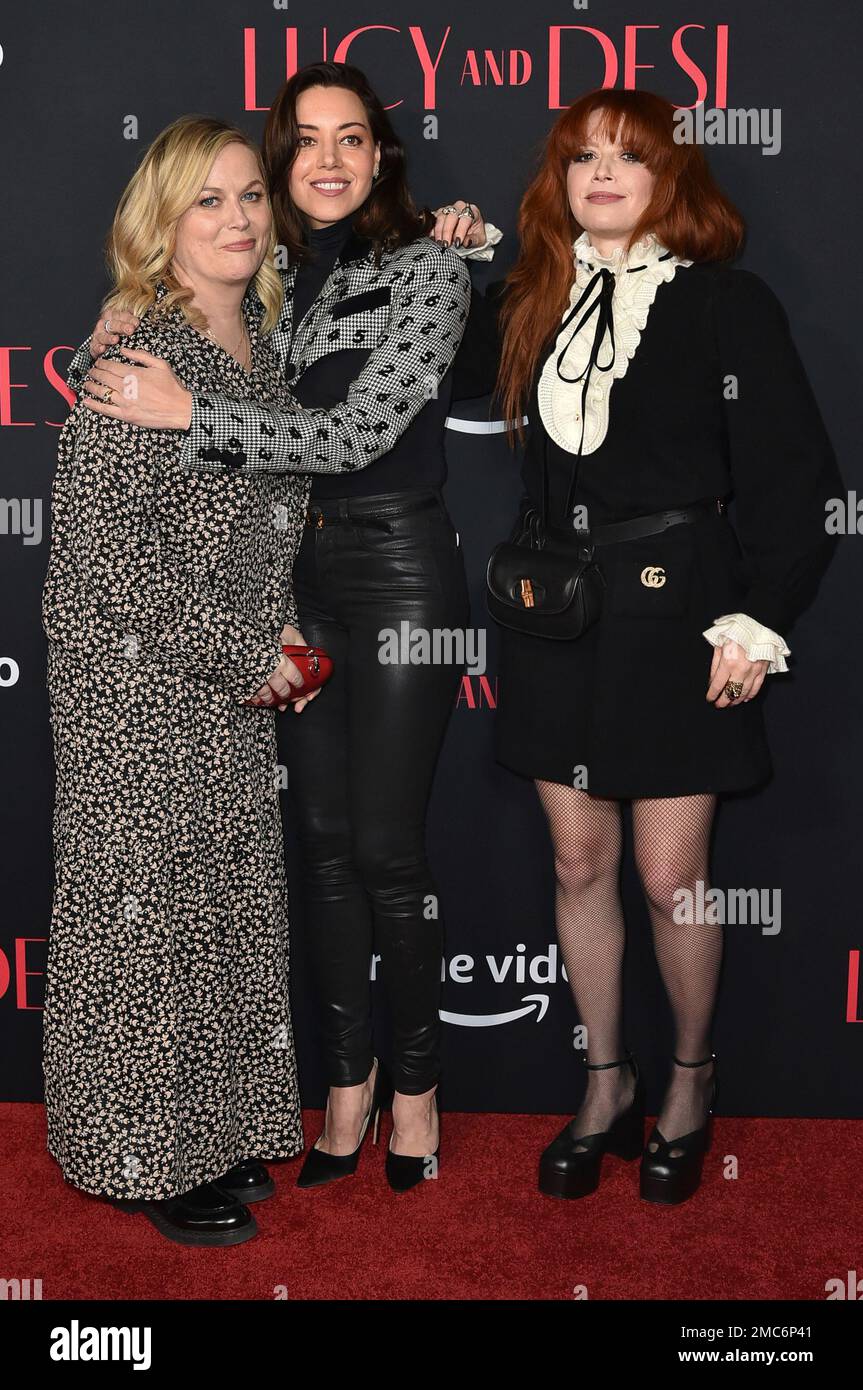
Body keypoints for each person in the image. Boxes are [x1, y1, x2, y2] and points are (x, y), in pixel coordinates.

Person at [67, 62, 502, 1193]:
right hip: (293, 587)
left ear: (380, 154)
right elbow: (160, 357)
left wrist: (190, 413)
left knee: (386, 849)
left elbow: (353, 435)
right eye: (302, 140)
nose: (326, 159)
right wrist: (120, 324)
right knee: (315, 846)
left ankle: (416, 1093)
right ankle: (345, 1086)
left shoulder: (428, 267)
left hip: (398, 571)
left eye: (350, 136)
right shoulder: (276, 282)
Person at [472, 87, 841, 1204]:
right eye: (580, 156)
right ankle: (604, 1081)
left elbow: (795, 482)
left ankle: (688, 1076)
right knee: (577, 863)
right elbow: (442, 378)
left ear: (668, 176)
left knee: (672, 879)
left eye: (626, 156)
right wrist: (462, 257)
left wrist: (759, 618)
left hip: (680, 613)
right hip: (555, 612)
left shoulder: (726, 303)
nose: (600, 174)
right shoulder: (527, 296)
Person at [43, 116, 316, 1246]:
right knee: (142, 921)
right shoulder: (136, 357)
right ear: (161, 220)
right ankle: (137, 1156)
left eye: (250, 195)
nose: (237, 218)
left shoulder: (264, 346)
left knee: (219, 906)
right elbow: (106, 563)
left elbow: (259, 518)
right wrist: (251, 652)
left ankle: (208, 1132)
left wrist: (277, 628)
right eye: (207, 199)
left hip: (227, 671)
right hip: (134, 677)